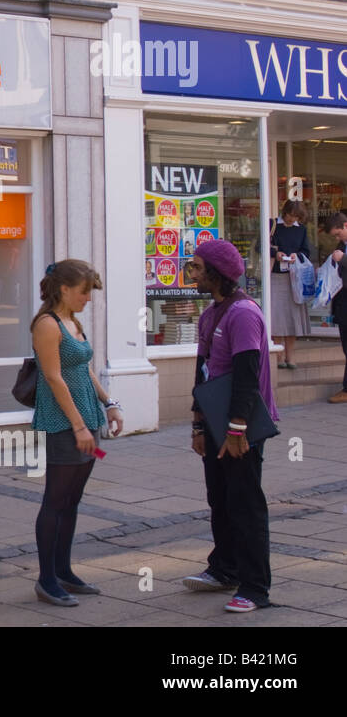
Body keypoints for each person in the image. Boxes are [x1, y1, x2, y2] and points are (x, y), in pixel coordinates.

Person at [182, 239, 276, 612]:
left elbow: (247, 375)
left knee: (246, 504)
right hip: (216, 419)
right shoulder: (210, 314)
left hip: (241, 423)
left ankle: (255, 588)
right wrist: (198, 425)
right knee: (219, 499)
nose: (193, 273)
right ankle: (224, 569)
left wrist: (237, 429)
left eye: (197, 267)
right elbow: (202, 371)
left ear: (217, 273)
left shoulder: (244, 314)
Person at [30, 259, 124, 607]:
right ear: (64, 289)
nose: (88, 298)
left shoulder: (73, 321)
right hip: (64, 425)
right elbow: (54, 378)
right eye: (84, 292)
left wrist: (110, 403)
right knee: (55, 501)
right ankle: (46, 579)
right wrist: (79, 426)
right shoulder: (47, 324)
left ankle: (63, 571)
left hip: (88, 420)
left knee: (72, 501)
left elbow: (84, 370)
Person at [269, 200, 311, 369]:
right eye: (290, 215)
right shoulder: (272, 225)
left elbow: (306, 251)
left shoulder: (301, 229)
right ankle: (278, 355)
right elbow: (260, 247)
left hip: (294, 276)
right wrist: (276, 253)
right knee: (277, 317)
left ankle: (290, 356)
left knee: (293, 317)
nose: (291, 219)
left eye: (295, 217)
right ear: (284, 212)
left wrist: (296, 255)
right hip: (276, 276)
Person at [327, 212, 347, 404]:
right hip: (342, 303)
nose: (336, 238)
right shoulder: (341, 246)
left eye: (338, 234)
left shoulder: (343, 251)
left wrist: (343, 259)